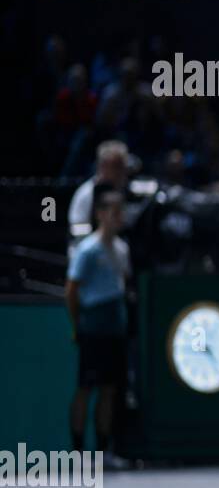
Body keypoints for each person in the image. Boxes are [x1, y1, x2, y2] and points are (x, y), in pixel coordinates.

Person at [66, 191, 131, 468]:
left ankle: (104, 451)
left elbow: (122, 284)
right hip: (92, 327)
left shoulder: (122, 249)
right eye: (113, 212)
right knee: (86, 389)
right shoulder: (88, 249)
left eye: (121, 212)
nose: (118, 217)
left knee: (109, 390)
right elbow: (71, 291)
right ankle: (79, 452)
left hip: (114, 328)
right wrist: (77, 325)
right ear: (100, 214)